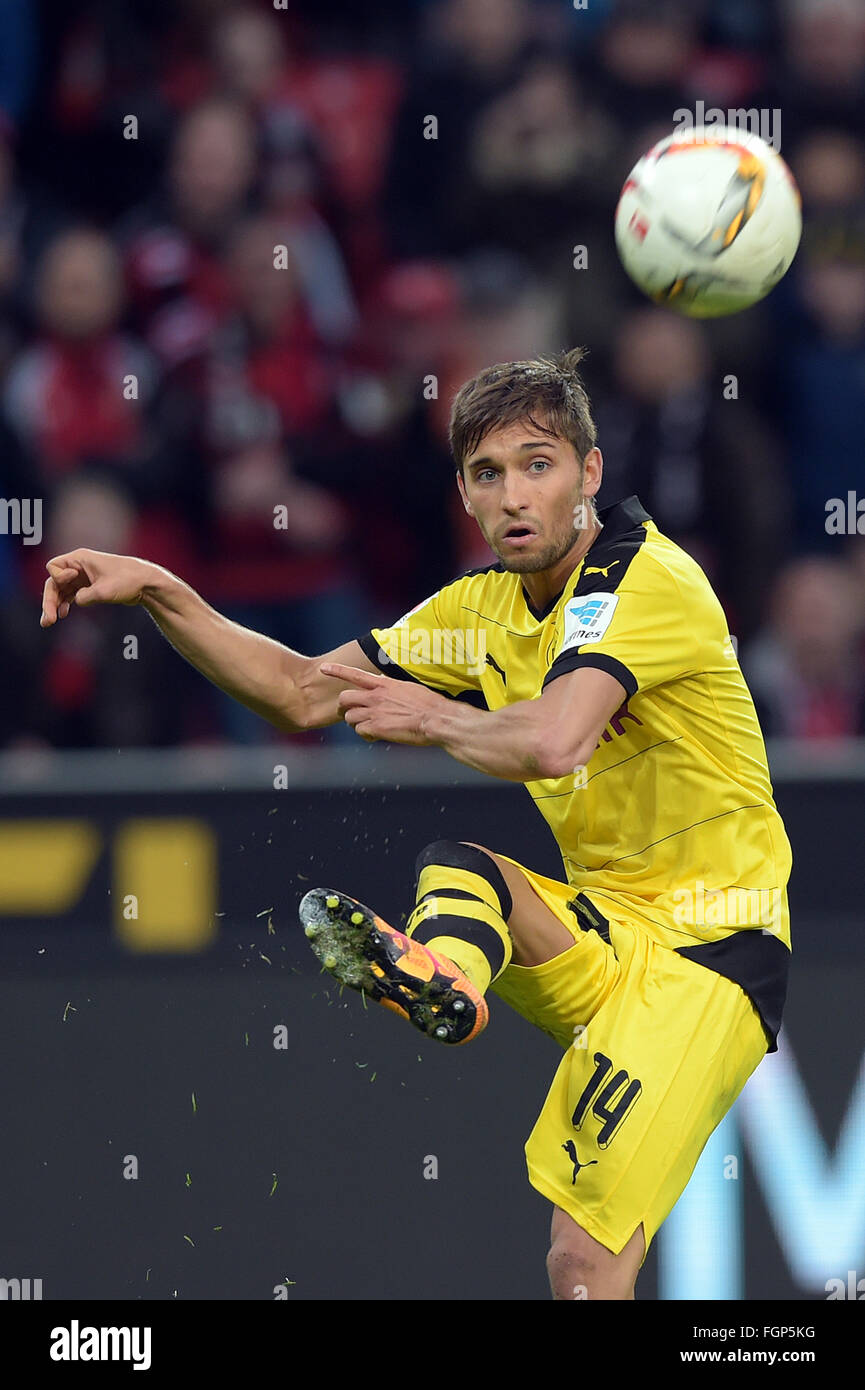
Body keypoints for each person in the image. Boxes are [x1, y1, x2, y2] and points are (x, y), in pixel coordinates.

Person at [38, 349, 792, 1300]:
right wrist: (160, 589)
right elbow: (301, 694)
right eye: (488, 473)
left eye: (537, 464)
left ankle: (445, 975)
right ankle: (445, 977)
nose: (514, 495)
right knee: (462, 867)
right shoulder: (476, 610)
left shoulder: (645, 581)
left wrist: (433, 718)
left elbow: (558, 739)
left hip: (712, 948)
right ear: (465, 495)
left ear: (589, 473)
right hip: (609, 926)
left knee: (580, 1262)